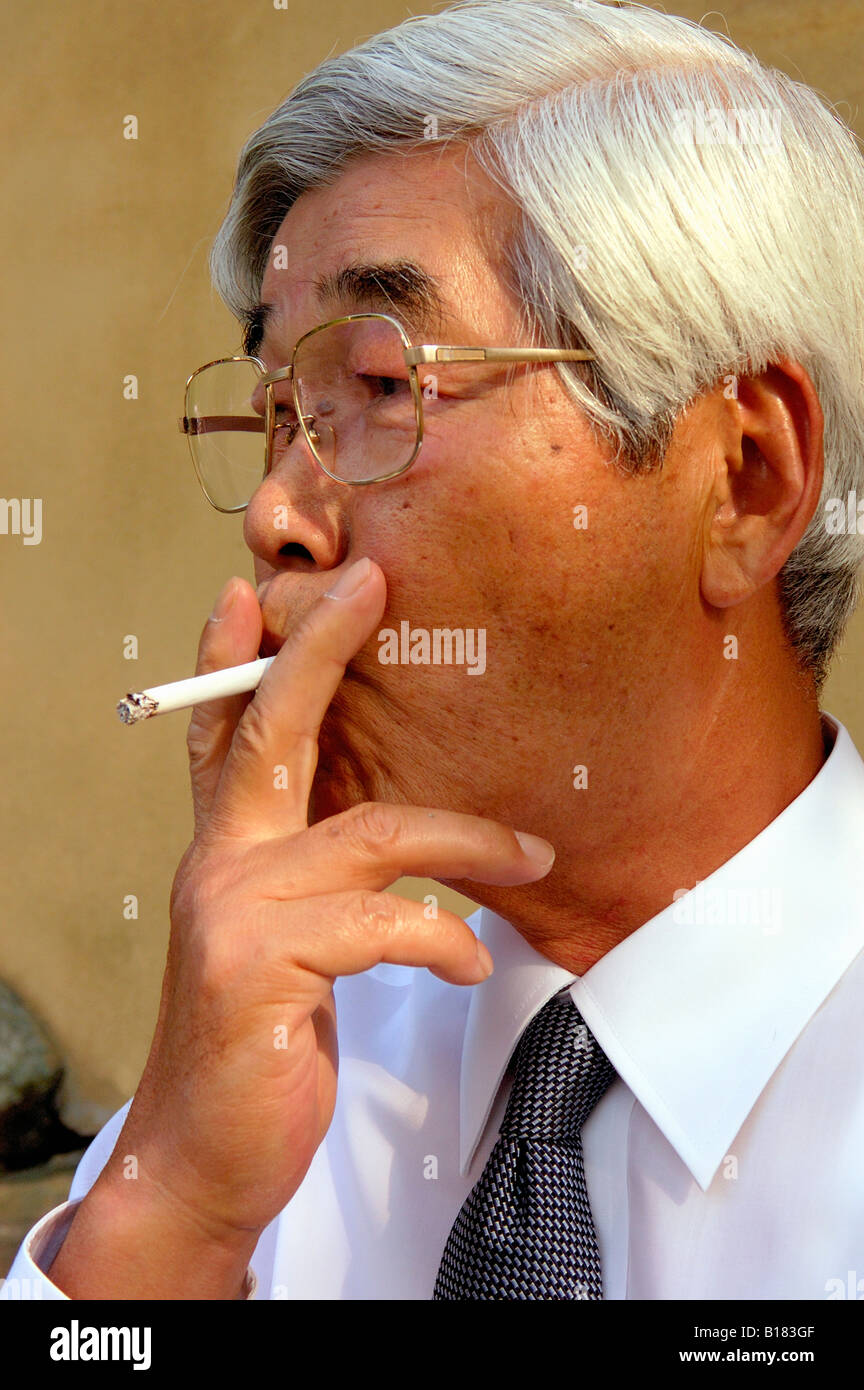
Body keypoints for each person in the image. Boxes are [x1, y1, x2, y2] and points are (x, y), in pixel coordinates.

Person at [6, 0, 864, 1300]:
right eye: (278, 415)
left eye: (382, 384)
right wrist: (165, 1217)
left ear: (743, 478)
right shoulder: (276, 1088)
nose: (282, 517)